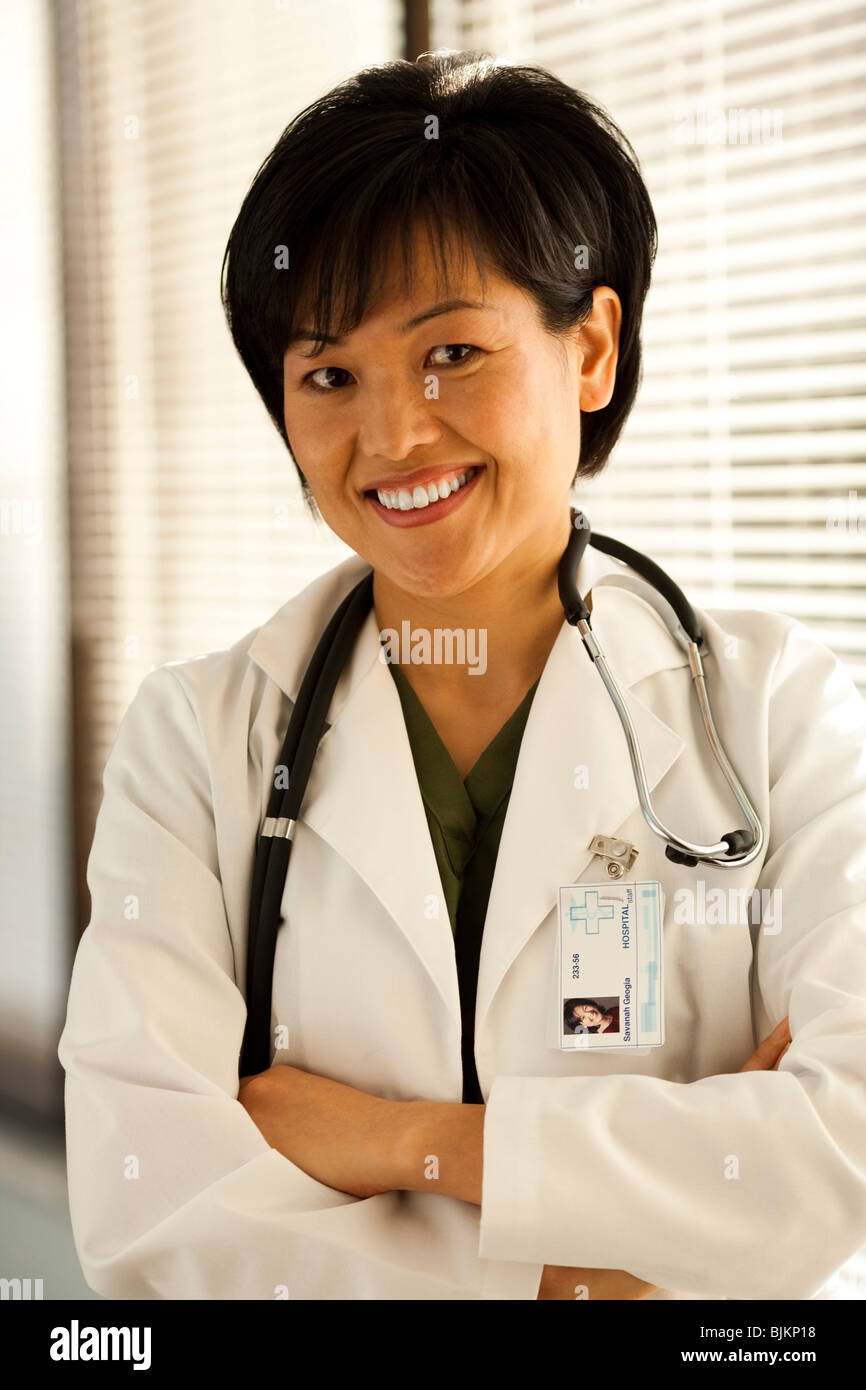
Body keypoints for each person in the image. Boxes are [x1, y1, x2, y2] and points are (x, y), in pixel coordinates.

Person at [58, 50, 866, 1301]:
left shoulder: (775, 712)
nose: (390, 437)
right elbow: (150, 1215)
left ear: (589, 348)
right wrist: (587, 1282)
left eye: (451, 355)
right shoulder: (199, 741)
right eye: (329, 375)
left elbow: (839, 1155)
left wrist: (406, 1146)